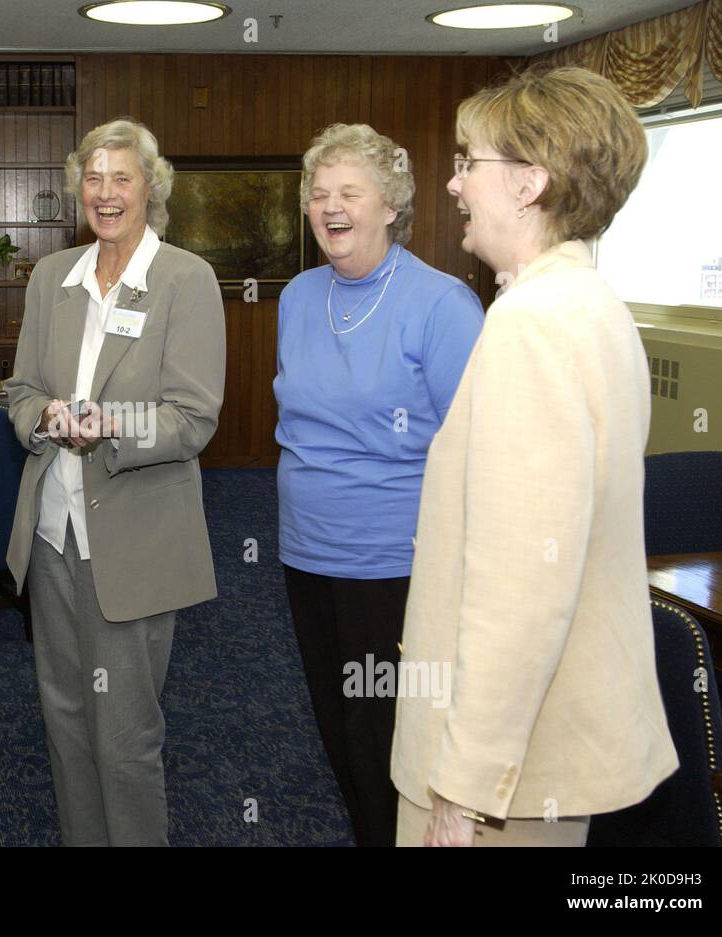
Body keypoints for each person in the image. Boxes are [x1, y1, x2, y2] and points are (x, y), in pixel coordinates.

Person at [390, 66, 680, 847]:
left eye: (466, 163)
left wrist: (464, 783)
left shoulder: (532, 325)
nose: (453, 186)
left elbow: (520, 587)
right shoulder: (589, 304)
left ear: (528, 183)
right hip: (546, 745)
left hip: (506, 773)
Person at [5, 117, 225, 846]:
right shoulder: (50, 278)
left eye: (121, 177)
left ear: (150, 188)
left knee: (125, 734)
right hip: (50, 534)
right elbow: (22, 392)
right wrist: (46, 419)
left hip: (135, 537)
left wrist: (107, 425)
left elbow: (192, 418)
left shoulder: (186, 280)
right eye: (92, 178)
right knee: (65, 718)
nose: (105, 193)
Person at [273, 124, 483, 847]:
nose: (330, 207)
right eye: (318, 194)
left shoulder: (442, 304)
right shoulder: (298, 297)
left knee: (388, 737)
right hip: (306, 553)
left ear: (391, 204)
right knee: (336, 725)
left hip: (394, 567)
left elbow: (478, 452)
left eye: (349, 193)